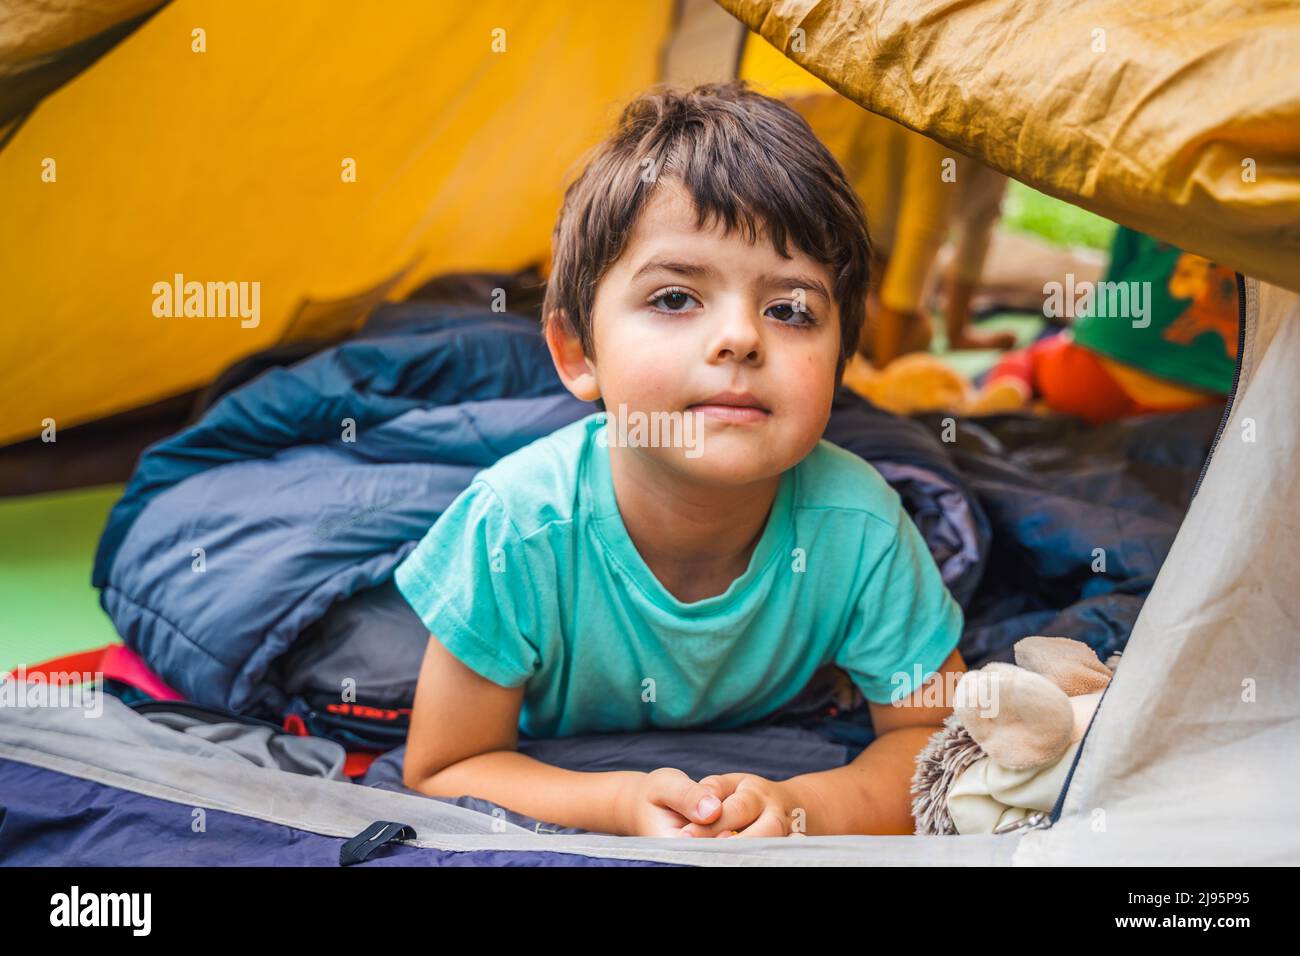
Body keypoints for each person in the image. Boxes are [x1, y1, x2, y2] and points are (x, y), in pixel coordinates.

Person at [394, 81, 967, 838]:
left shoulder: (860, 527)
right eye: (674, 298)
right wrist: (620, 804)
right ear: (576, 353)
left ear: (841, 365)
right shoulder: (515, 529)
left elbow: (935, 743)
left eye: (790, 309)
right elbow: (443, 768)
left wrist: (805, 809)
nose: (740, 338)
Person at [986, 226, 1237, 425]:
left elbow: (1112, 284)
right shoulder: (1271, 208)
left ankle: (1012, 390)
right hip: (1206, 404)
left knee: (1028, 358)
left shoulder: (1155, 183)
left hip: (1094, 376)